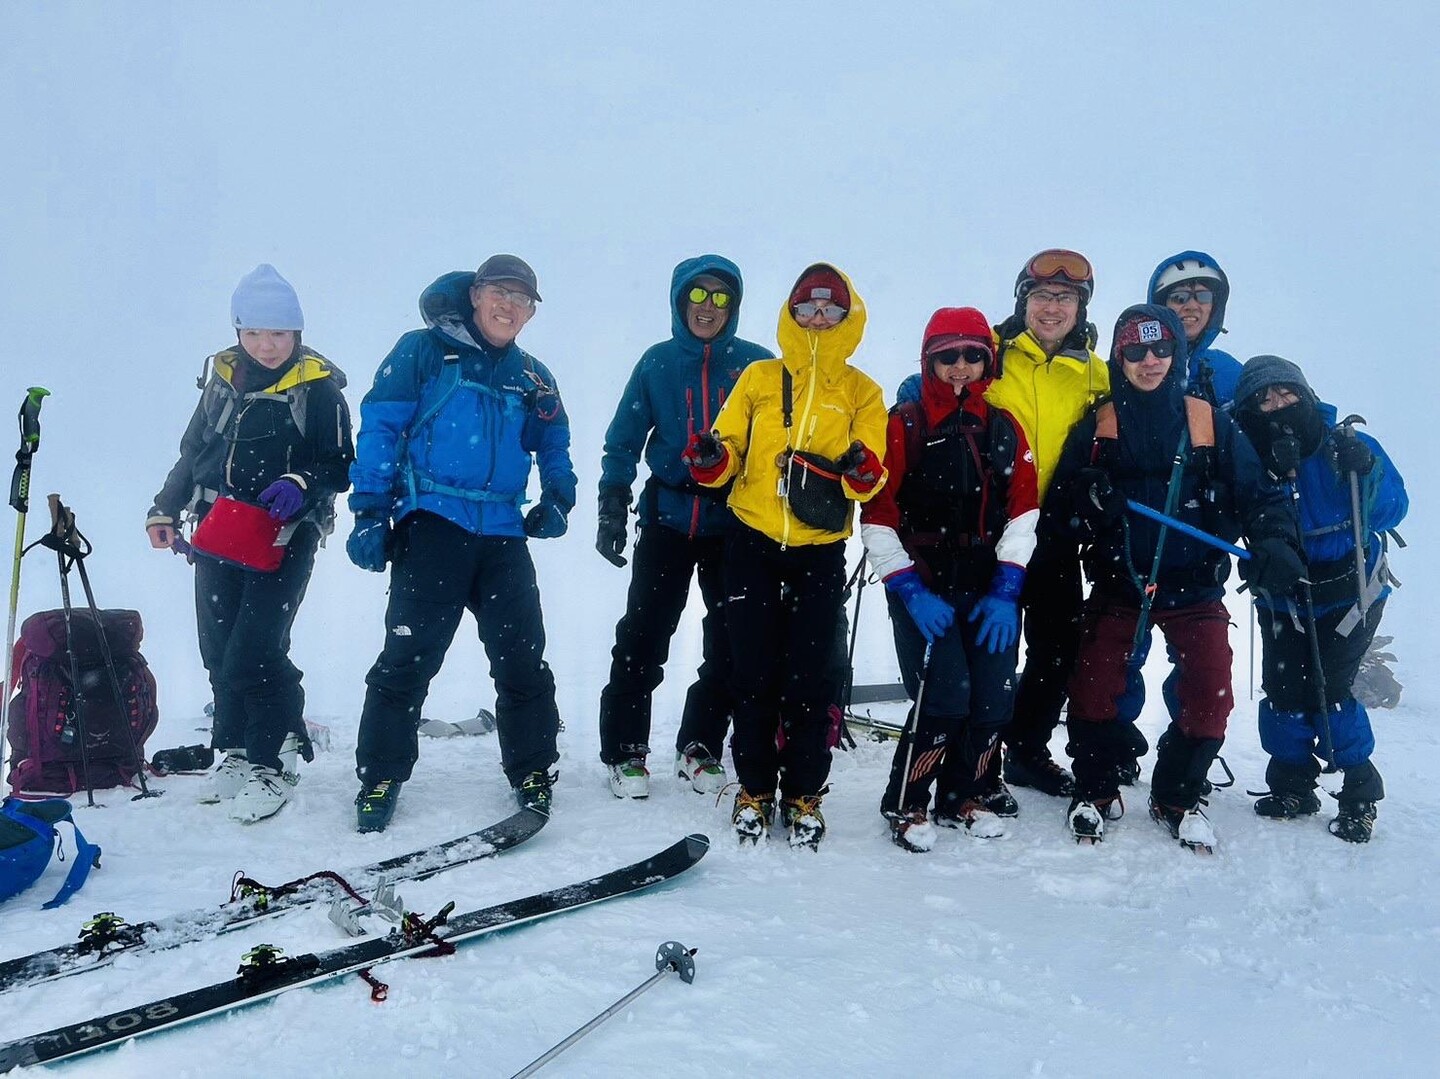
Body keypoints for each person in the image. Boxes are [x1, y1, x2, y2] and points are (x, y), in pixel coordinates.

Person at [1044, 305, 1302, 848]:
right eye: (1135, 350)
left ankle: (1178, 792)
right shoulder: (1100, 422)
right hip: (1120, 582)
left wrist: (1274, 540)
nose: (1150, 360)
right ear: (1119, 356)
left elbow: (1258, 495)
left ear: (1178, 354)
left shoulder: (1209, 420)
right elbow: (1062, 504)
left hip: (1195, 584)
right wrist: (1089, 499)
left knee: (1210, 689)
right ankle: (1095, 784)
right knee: (1093, 686)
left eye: (1161, 348)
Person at [345, 255, 576, 832]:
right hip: (433, 525)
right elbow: (380, 427)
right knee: (407, 660)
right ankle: (380, 775)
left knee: (522, 660)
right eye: (500, 292)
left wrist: (558, 498)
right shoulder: (423, 351)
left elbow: (554, 440)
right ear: (475, 294)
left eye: (522, 299)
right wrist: (370, 512)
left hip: (501, 532)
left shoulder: (533, 376)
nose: (509, 306)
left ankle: (532, 769)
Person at [684, 263, 888, 849]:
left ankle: (803, 793)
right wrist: (708, 457)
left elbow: (869, 480)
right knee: (750, 669)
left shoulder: (861, 390)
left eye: (831, 308)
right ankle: (753, 788)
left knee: (812, 674)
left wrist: (862, 469)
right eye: (808, 308)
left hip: (819, 550)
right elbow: (726, 454)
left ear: (848, 318)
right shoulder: (758, 377)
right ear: (791, 315)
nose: (819, 317)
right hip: (751, 540)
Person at [146, 264, 354, 822]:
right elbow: (194, 450)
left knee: (255, 651)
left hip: (285, 534)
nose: (267, 345)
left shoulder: (319, 388)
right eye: (256, 333)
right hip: (217, 527)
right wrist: (164, 507)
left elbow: (339, 465)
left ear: (298, 334)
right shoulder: (222, 380)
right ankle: (234, 751)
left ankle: (273, 763)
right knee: (218, 650)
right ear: (238, 330)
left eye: (280, 334)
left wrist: (300, 484)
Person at [860, 307, 1039, 851]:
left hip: (988, 586)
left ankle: (968, 793)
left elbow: (1024, 510)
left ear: (987, 360)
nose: (959, 367)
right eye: (947, 357)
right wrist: (908, 589)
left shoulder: (1003, 426)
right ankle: (908, 799)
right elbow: (876, 514)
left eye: (971, 355)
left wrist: (1008, 589)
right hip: (925, 585)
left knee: (992, 697)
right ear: (929, 360)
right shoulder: (905, 425)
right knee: (944, 693)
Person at [595, 255, 772, 799]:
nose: (708, 307)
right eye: (699, 295)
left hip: (734, 524)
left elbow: (775, 446)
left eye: (721, 297)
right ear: (680, 300)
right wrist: (611, 501)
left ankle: (699, 746)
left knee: (728, 642)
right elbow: (623, 438)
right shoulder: (657, 363)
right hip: (668, 518)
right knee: (644, 636)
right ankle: (625, 751)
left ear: (734, 307)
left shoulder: (758, 366)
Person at [1232, 355, 1408, 842]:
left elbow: (1395, 508)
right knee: (1284, 690)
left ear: (1305, 395)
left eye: (1285, 393)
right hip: (1282, 598)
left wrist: (1367, 472)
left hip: (1351, 597)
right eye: (1263, 399)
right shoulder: (1248, 457)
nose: (1277, 405)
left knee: (1330, 691)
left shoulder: (1347, 448)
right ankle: (1292, 784)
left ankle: (1360, 790)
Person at [1111, 251, 1247, 781]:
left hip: (1198, 546)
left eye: (1201, 294)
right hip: (1135, 546)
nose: (1190, 305)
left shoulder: (1226, 375)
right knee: (1123, 652)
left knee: (1197, 666)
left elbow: (1285, 409)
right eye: (1177, 296)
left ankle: (1183, 750)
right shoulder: (1133, 363)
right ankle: (1116, 744)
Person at [984, 250, 1110, 801]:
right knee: (992, 647)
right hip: (991, 527)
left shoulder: (1096, 372)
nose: (1053, 307)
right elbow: (942, 382)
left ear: (1080, 308)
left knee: (1057, 649)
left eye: (1066, 298)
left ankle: (1027, 749)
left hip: (1057, 531)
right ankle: (979, 756)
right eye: (1042, 296)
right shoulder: (990, 352)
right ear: (1023, 301)